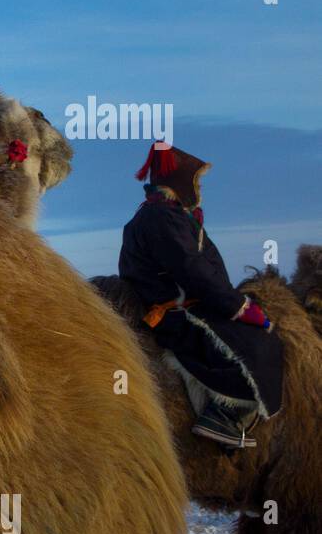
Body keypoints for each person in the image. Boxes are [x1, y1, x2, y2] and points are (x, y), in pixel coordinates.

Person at [119, 141, 282, 449]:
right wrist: (238, 307)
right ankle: (222, 416)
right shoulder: (160, 219)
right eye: (197, 181)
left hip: (189, 306)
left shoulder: (166, 216)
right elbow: (191, 270)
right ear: (181, 183)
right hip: (176, 314)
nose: (200, 188)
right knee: (258, 346)